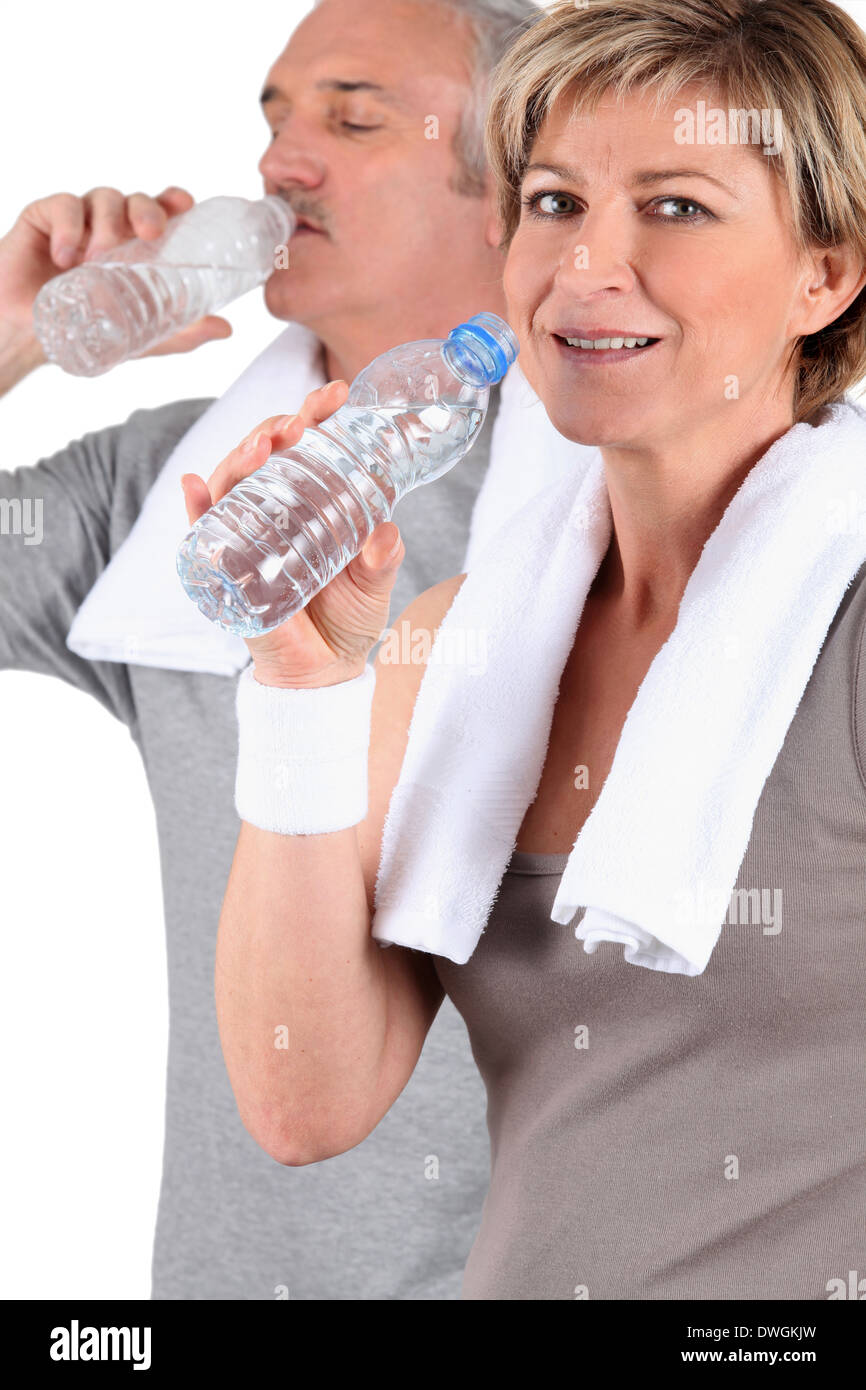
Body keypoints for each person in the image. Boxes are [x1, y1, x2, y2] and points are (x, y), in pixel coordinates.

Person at [210, 0, 866, 1299]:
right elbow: (303, 1103)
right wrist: (301, 685)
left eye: (674, 206)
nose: (585, 264)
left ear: (826, 274)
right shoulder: (452, 640)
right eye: (556, 201)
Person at [0, 0, 552, 1300]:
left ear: (521, 190)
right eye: (275, 115)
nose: (277, 161)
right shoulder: (172, 495)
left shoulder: (630, 497)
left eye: (351, 120)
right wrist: (10, 334)